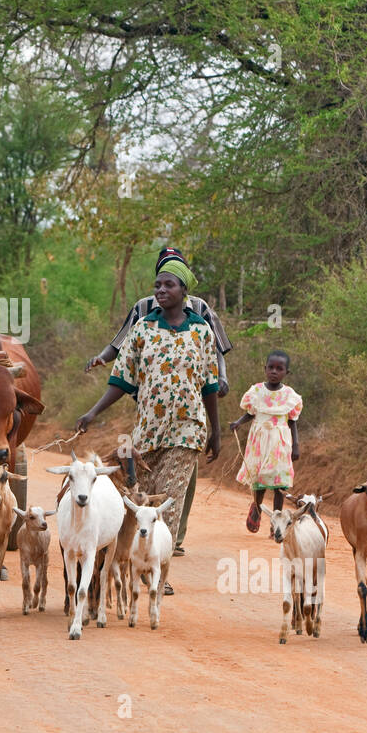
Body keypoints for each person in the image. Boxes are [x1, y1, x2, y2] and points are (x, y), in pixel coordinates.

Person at [75, 253, 221, 594]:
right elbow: (121, 378)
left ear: (184, 290)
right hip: (148, 432)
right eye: (157, 285)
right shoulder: (143, 329)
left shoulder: (201, 331)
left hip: (188, 430)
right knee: (138, 498)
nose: (161, 290)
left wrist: (214, 431)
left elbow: (210, 385)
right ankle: (124, 562)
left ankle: (158, 575)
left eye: (169, 285)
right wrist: (93, 412)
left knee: (168, 501)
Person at [228, 350, 302, 533]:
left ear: (287, 372)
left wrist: (296, 446)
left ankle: (276, 520)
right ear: (265, 369)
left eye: (279, 368)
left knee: (279, 483)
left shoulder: (289, 396)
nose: (274, 372)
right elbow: (251, 413)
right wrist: (238, 423)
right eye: (271, 368)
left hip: (280, 442)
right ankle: (257, 507)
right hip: (259, 441)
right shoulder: (256, 391)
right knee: (260, 479)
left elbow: (292, 422)